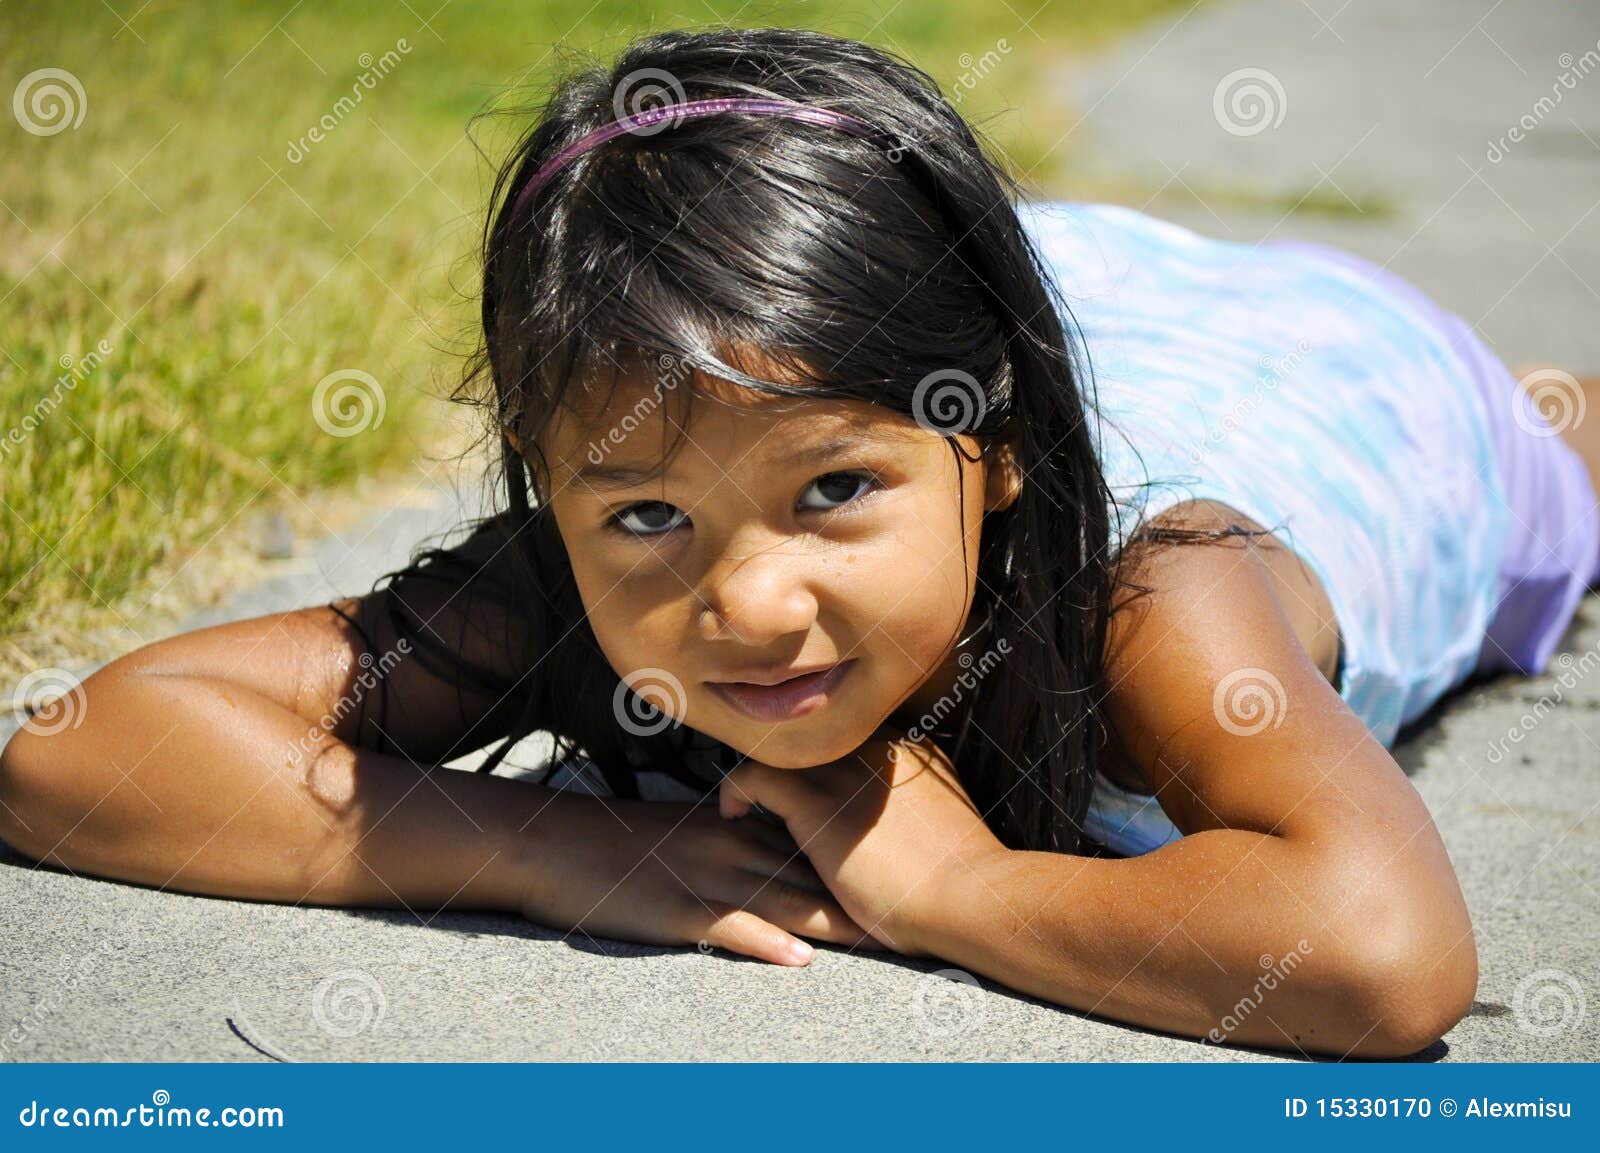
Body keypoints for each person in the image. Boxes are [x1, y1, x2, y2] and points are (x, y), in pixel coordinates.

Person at [4, 27, 1597, 1060]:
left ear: (1002, 450)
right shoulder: (590, 574)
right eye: (644, 513)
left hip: (1369, 393)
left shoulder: (1160, 600)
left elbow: (1387, 955)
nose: (750, 600)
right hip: (1048, 300)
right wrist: (566, 852)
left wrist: (962, 890)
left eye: (836, 493)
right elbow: (74, 756)